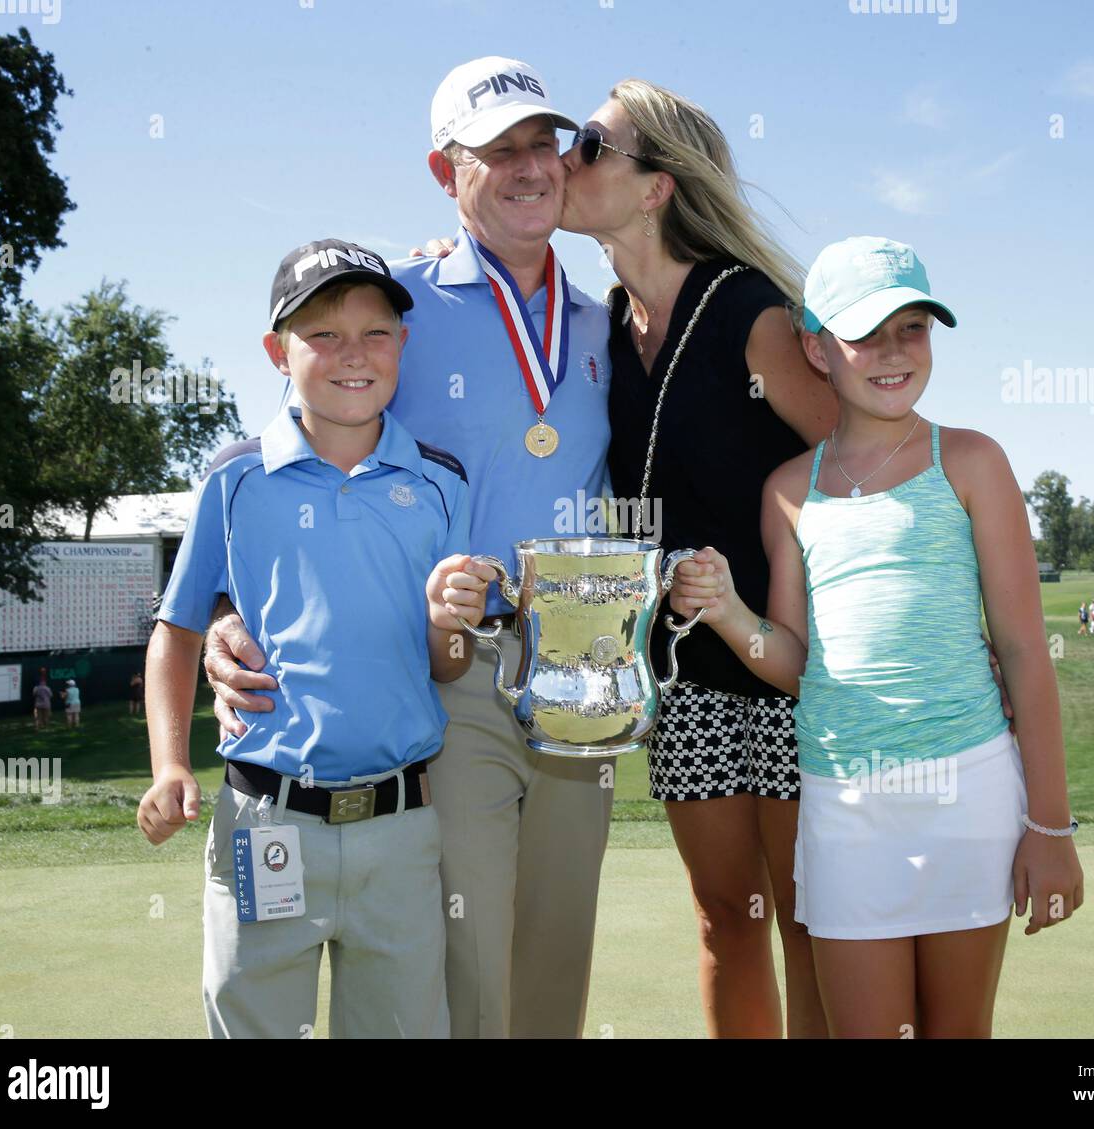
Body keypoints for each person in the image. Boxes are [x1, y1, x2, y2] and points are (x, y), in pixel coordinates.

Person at [199, 59, 616, 1038]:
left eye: (541, 144)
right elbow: (284, 463)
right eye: (496, 150)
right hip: (452, 665)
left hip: (581, 664)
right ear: (445, 171)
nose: (528, 167)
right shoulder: (399, 305)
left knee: (560, 941)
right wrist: (226, 612)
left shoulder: (607, 323)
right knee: (470, 945)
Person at [671, 236, 1083, 1037]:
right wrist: (729, 613)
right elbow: (798, 666)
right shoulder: (790, 490)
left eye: (915, 329)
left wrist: (1053, 827)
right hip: (844, 802)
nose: (894, 353)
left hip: (968, 792)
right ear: (818, 347)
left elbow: (1027, 652)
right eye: (867, 333)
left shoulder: (971, 461)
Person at [136, 239, 493, 1038]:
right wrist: (167, 764)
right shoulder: (234, 479)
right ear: (277, 351)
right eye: (322, 335)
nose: (352, 355)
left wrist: (448, 623)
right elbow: (178, 629)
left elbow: (450, 661)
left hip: (400, 826)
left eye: (375, 332)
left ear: (404, 344)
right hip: (269, 821)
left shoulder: (441, 482)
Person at [557, 80, 838, 1037]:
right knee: (727, 916)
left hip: (798, 666)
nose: (564, 157)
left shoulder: (749, 312)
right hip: (685, 678)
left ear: (655, 187)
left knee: (810, 918)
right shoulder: (601, 323)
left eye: (589, 143)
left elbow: (858, 462)